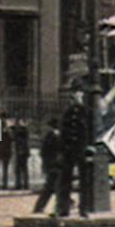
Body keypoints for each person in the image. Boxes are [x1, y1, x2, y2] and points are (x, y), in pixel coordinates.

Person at [58, 89, 93, 217]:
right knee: (65, 180)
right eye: (75, 94)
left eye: (79, 94)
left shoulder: (86, 112)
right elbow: (63, 133)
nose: (76, 97)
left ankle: (83, 208)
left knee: (84, 182)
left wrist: (90, 147)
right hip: (69, 150)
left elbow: (91, 131)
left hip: (81, 150)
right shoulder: (67, 113)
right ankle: (63, 208)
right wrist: (62, 150)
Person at [32, 118, 63, 214]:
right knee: (53, 186)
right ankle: (40, 207)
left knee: (51, 187)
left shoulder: (51, 136)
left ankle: (39, 207)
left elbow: (44, 152)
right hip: (55, 165)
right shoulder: (55, 136)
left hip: (53, 165)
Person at [13, 119, 31, 191]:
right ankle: (25, 184)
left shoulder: (20, 132)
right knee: (24, 169)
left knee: (19, 169)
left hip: (20, 152)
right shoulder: (25, 131)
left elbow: (17, 139)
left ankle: (19, 184)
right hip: (24, 152)